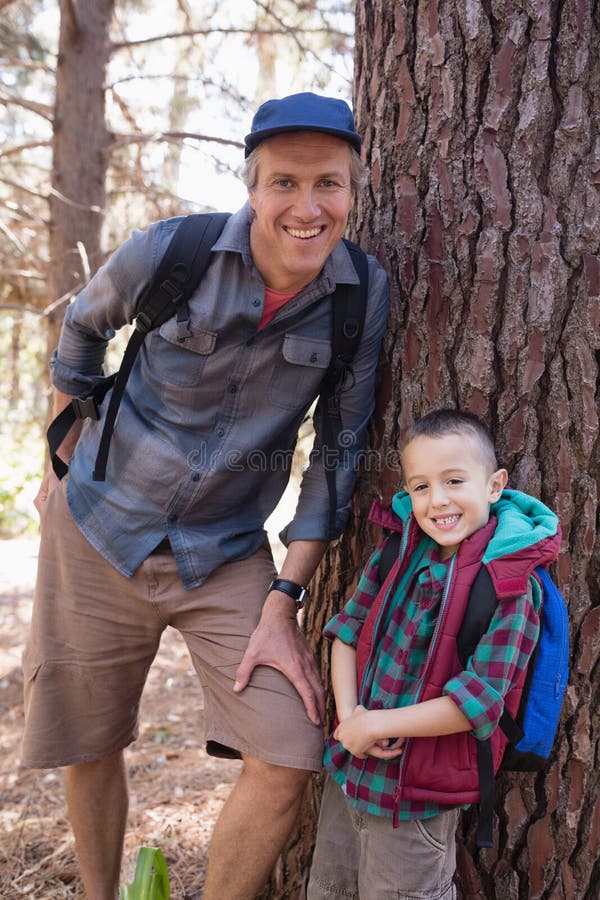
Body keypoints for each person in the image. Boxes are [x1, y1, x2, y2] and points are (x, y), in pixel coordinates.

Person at [22, 92, 389, 900]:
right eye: (285, 182)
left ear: (353, 192)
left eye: (328, 184)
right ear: (252, 186)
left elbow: (339, 449)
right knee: (91, 742)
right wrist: (60, 459)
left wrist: (283, 598)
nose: (306, 206)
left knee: (290, 752)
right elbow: (83, 328)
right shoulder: (172, 251)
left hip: (223, 551)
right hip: (98, 529)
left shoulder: (361, 293)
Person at [307, 409, 561, 900]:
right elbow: (346, 631)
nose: (437, 500)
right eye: (420, 486)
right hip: (349, 776)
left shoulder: (509, 586)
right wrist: (350, 717)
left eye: (454, 480)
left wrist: (377, 725)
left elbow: (478, 703)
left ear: (494, 485)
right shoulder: (399, 550)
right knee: (328, 888)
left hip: (416, 800)